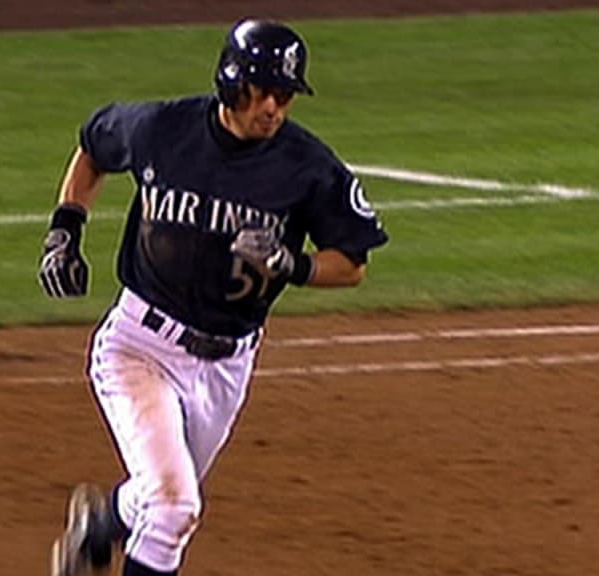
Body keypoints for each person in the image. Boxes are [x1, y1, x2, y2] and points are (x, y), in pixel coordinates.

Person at [37, 18, 388, 576]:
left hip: (228, 365)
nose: (274, 107)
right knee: (174, 508)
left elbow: (352, 263)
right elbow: (93, 146)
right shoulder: (163, 128)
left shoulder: (307, 166)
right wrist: (65, 229)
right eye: (263, 91)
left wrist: (292, 264)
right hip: (139, 347)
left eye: (285, 95)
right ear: (231, 82)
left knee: (160, 497)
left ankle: (100, 524)